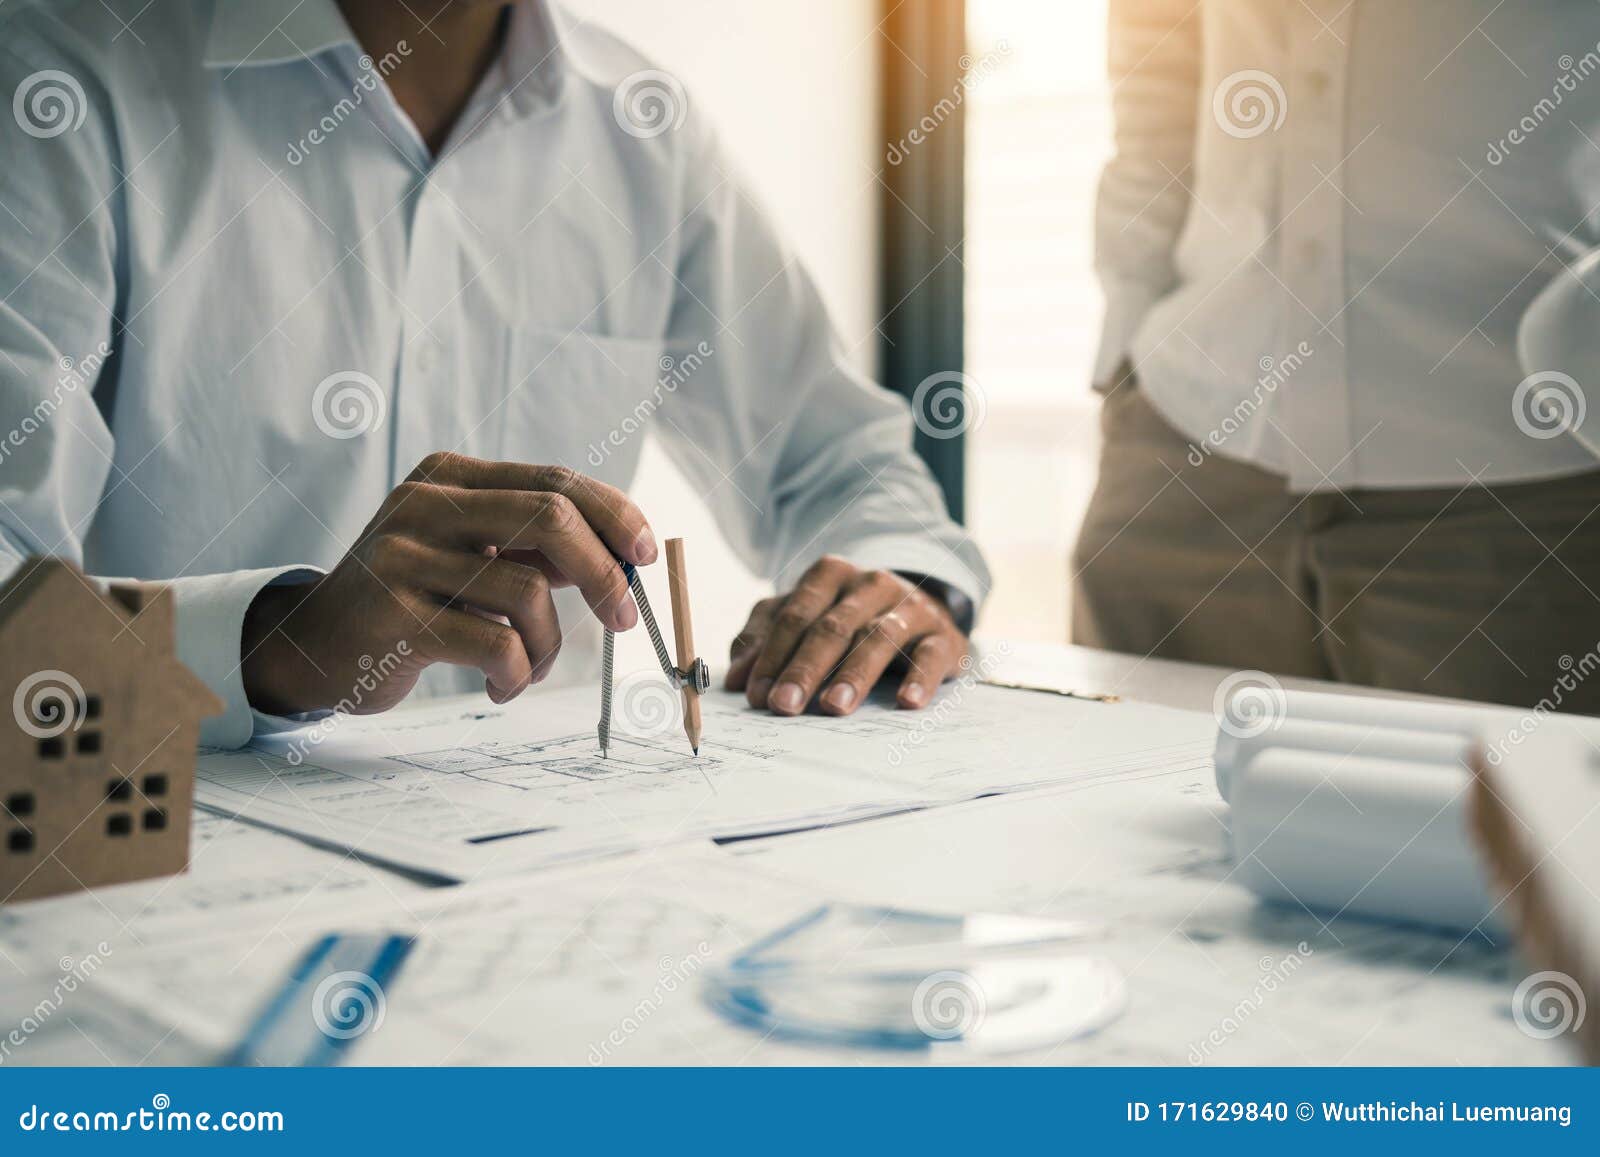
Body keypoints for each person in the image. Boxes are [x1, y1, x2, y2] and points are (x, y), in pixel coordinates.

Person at [0, 0, 988, 747]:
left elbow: (841, 466)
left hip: (553, 882)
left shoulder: (648, 133)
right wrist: (274, 643)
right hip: (159, 863)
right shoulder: (55, 76)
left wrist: (896, 584)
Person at [1077, 0, 1600, 710]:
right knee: (1116, 811)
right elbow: (1157, 53)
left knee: (1502, 822)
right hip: (1183, 455)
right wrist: (1127, 340)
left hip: (1523, 492)